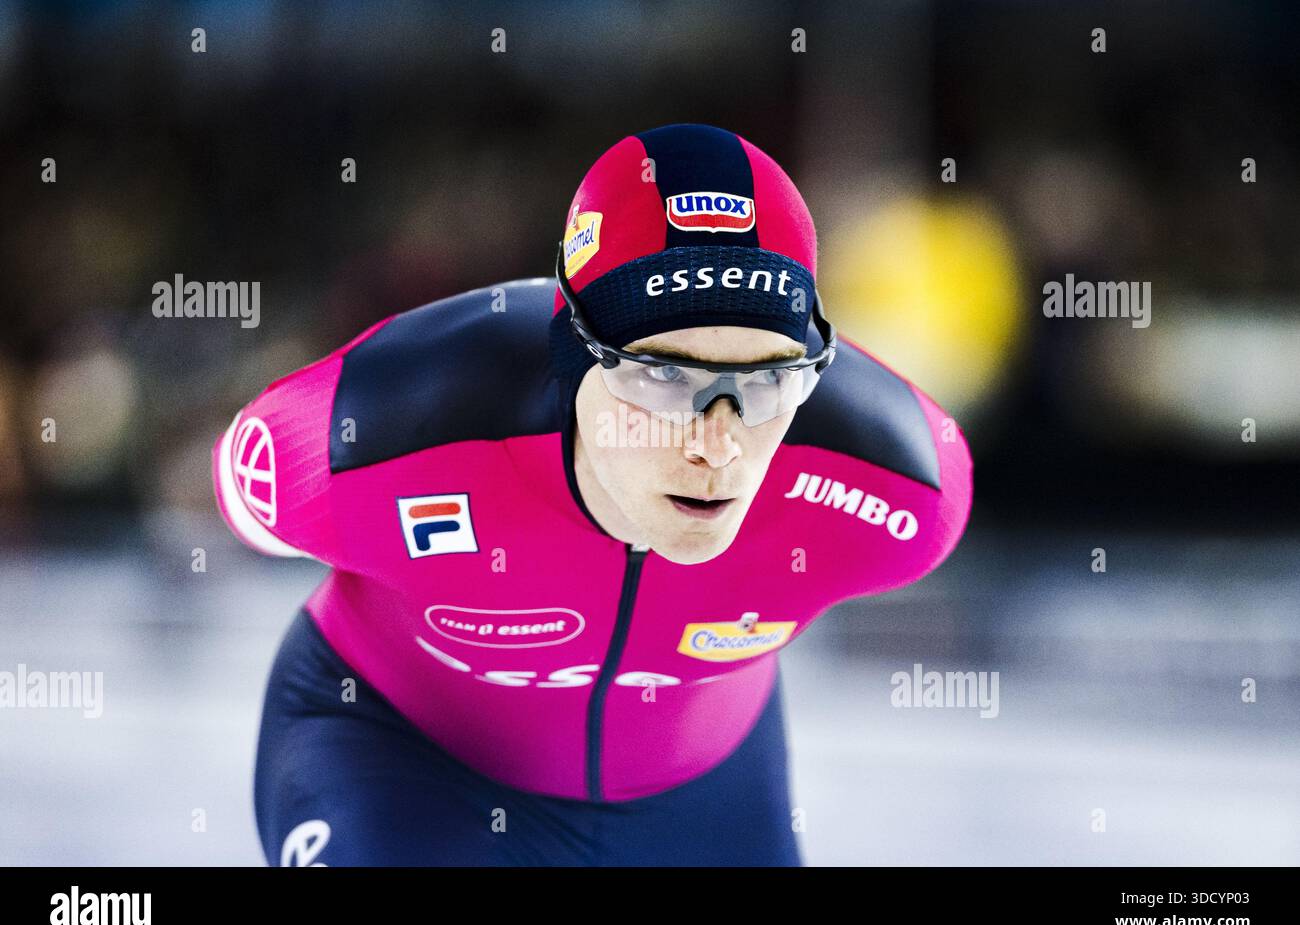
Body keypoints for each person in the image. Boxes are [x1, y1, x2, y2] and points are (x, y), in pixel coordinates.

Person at [212, 123, 973, 866]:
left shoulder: (902, 486)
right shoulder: (379, 434)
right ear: (575, 352)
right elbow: (236, 487)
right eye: (664, 376)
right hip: (397, 765)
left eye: (770, 379)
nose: (717, 443)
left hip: (704, 801)